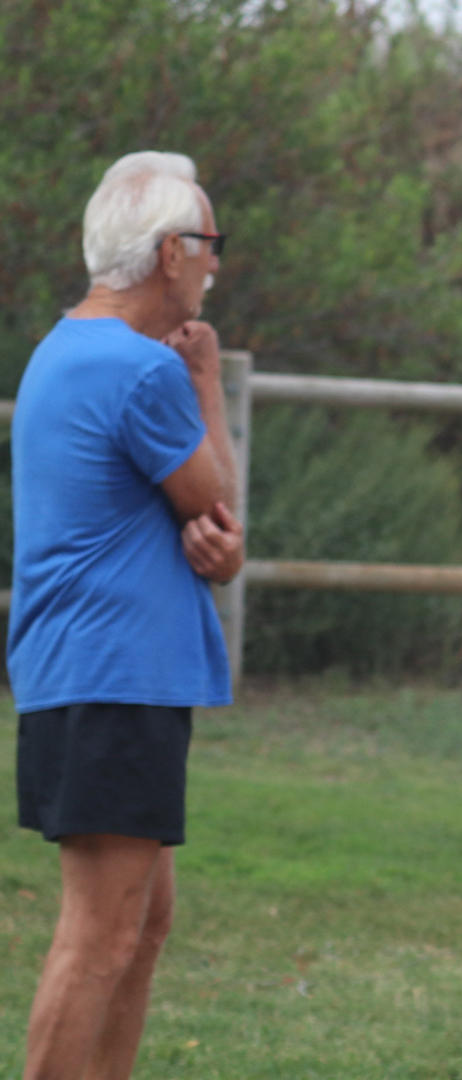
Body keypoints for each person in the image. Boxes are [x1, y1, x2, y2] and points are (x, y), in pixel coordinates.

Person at [13, 151, 245, 1080]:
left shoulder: (66, 347)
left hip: (85, 674)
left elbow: (204, 531)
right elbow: (218, 499)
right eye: (210, 247)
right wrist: (210, 385)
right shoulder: (143, 371)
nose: (216, 266)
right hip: (113, 674)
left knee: (141, 926)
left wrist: (215, 544)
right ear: (169, 253)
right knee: (102, 935)